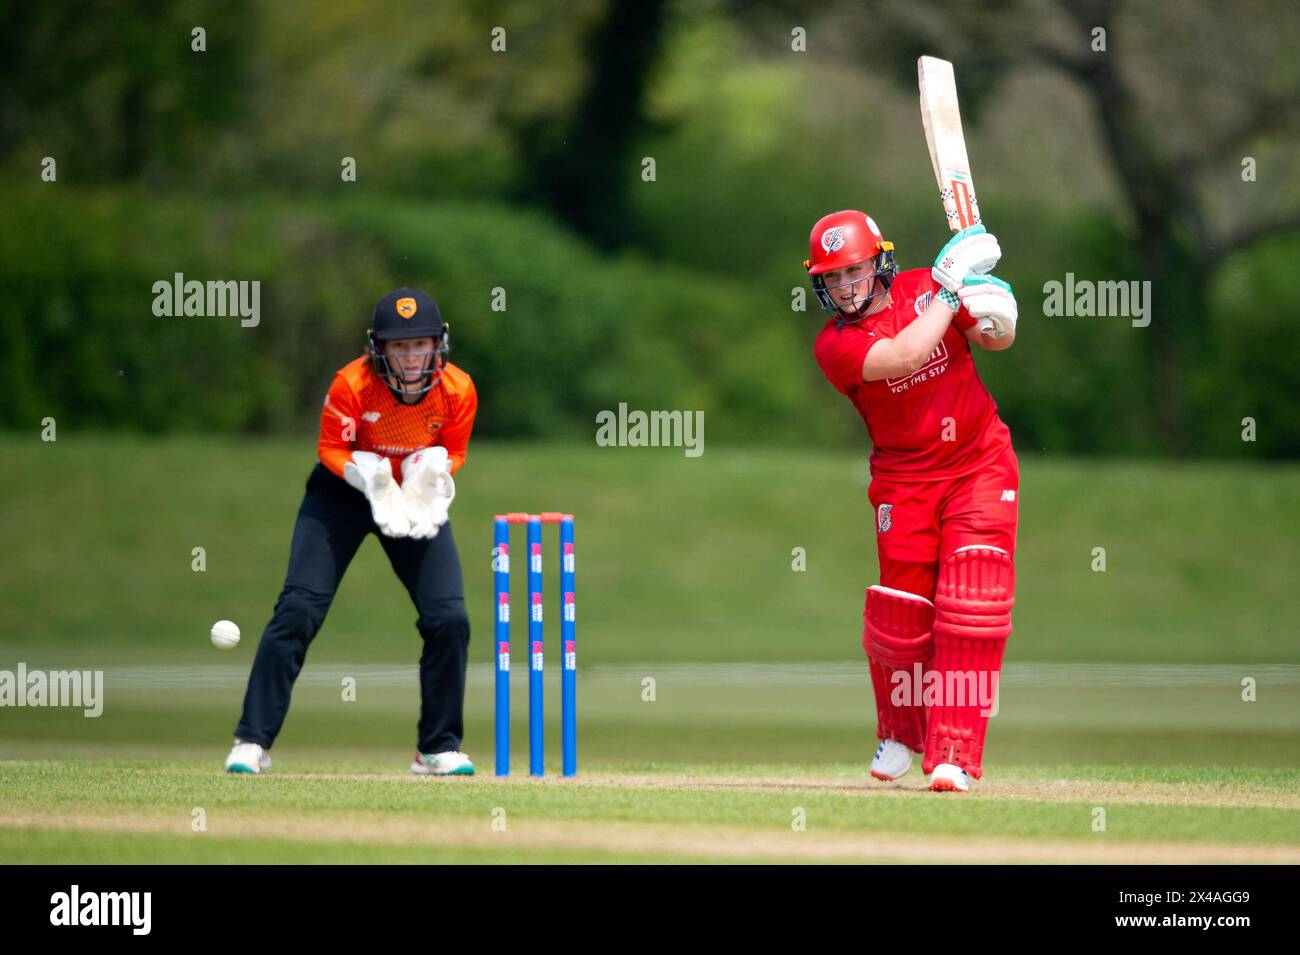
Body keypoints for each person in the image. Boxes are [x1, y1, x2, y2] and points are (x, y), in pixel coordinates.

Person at [224, 287, 479, 776]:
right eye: (399, 346)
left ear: (438, 343)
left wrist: (433, 475)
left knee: (449, 618)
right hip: (342, 495)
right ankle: (252, 741)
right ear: (378, 346)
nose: (410, 356)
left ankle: (436, 748)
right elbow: (328, 448)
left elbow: (457, 451)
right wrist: (365, 476)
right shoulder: (352, 384)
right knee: (299, 607)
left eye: (420, 344)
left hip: (411, 499)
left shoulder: (459, 390)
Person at [807, 211, 1019, 793]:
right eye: (834, 277)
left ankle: (955, 751)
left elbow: (994, 339)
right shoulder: (836, 345)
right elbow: (901, 356)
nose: (847, 286)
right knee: (902, 614)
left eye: (856, 269)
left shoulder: (928, 284)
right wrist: (952, 293)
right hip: (904, 480)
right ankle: (902, 732)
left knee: (972, 601)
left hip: (979, 460)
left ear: (880, 260)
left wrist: (994, 305)